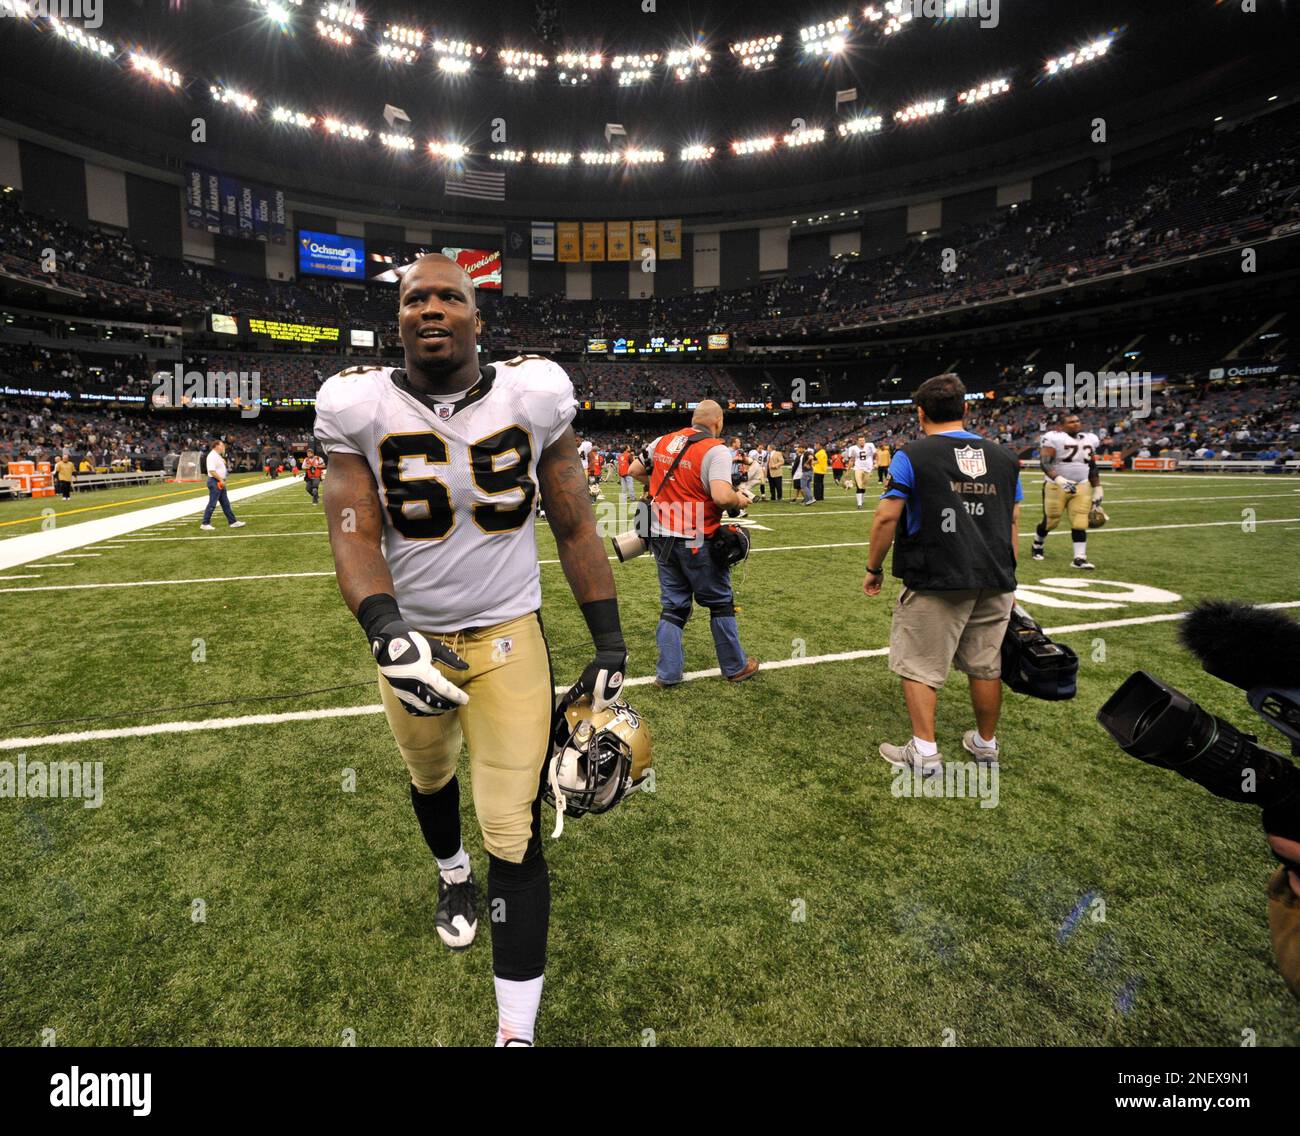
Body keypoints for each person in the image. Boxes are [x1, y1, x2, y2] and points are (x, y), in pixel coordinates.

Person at [315, 254, 629, 1047]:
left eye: (447, 297)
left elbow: (576, 523)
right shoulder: (357, 403)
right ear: (398, 320)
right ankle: (452, 879)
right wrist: (388, 633)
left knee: (512, 828)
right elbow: (351, 528)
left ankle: (514, 1034)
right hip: (412, 638)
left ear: (477, 317)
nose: (429, 309)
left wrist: (610, 640)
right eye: (414, 298)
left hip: (507, 635)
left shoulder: (534, 394)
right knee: (429, 775)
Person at [861, 374, 1022, 772]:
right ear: (966, 409)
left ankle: (925, 751)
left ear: (920, 413)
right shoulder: (1004, 457)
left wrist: (873, 567)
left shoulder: (913, 454)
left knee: (918, 663)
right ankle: (986, 744)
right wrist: (1008, 574)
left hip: (938, 574)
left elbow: (885, 517)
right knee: (986, 664)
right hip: (995, 575)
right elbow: (1013, 520)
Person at [628, 400, 760, 688]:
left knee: (673, 607)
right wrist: (741, 499)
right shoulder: (716, 449)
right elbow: (722, 497)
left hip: (660, 536)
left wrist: (666, 484)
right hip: (697, 536)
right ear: (718, 422)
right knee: (720, 603)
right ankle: (736, 666)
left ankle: (668, 674)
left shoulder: (662, 441)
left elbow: (634, 470)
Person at [1031, 412, 1102, 570]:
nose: (1076, 424)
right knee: (1051, 521)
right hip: (1056, 486)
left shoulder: (1090, 439)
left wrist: (1097, 486)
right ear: (1061, 426)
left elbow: (1092, 465)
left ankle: (1079, 558)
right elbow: (1045, 462)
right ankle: (1037, 544)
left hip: (1081, 485)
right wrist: (1059, 479)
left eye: (1077, 421)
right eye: (1071, 422)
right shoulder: (1054, 438)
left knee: (1080, 520)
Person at [199, 440, 246, 531]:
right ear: (216, 446)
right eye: (222, 446)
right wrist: (220, 479)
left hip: (218, 482)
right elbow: (212, 471)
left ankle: (232, 522)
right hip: (215, 481)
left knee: (225, 504)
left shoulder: (216, 455)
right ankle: (205, 523)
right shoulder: (212, 456)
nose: (223, 447)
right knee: (212, 503)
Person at [846, 435, 876, 509]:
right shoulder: (853, 448)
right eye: (860, 440)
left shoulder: (870, 445)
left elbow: (876, 454)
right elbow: (852, 460)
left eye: (863, 440)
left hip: (868, 469)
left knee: (863, 486)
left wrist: (876, 462)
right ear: (857, 441)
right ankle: (859, 504)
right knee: (859, 485)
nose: (862, 442)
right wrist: (848, 470)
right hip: (858, 468)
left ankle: (861, 500)